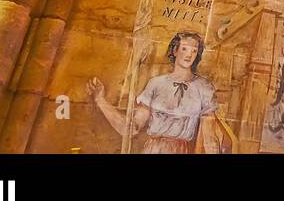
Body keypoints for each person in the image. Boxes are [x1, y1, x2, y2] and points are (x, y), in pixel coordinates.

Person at [87, 31, 231, 153]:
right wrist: (100, 100)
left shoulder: (204, 87)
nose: (189, 55)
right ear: (175, 51)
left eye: (194, 51)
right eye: (185, 49)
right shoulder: (156, 84)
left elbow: (209, 138)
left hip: (182, 150)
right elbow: (132, 128)